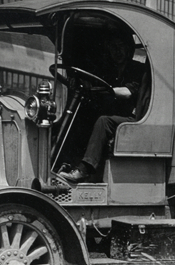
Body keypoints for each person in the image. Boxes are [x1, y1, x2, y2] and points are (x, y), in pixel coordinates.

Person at [57, 33, 149, 184]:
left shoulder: (136, 69)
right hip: (116, 115)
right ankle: (67, 163)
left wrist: (108, 90)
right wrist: (81, 84)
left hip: (133, 118)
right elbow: (94, 83)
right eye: (113, 48)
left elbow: (127, 92)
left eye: (120, 47)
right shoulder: (109, 70)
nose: (117, 51)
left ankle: (84, 170)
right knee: (83, 116)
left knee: (103, 121)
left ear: (128, 49)